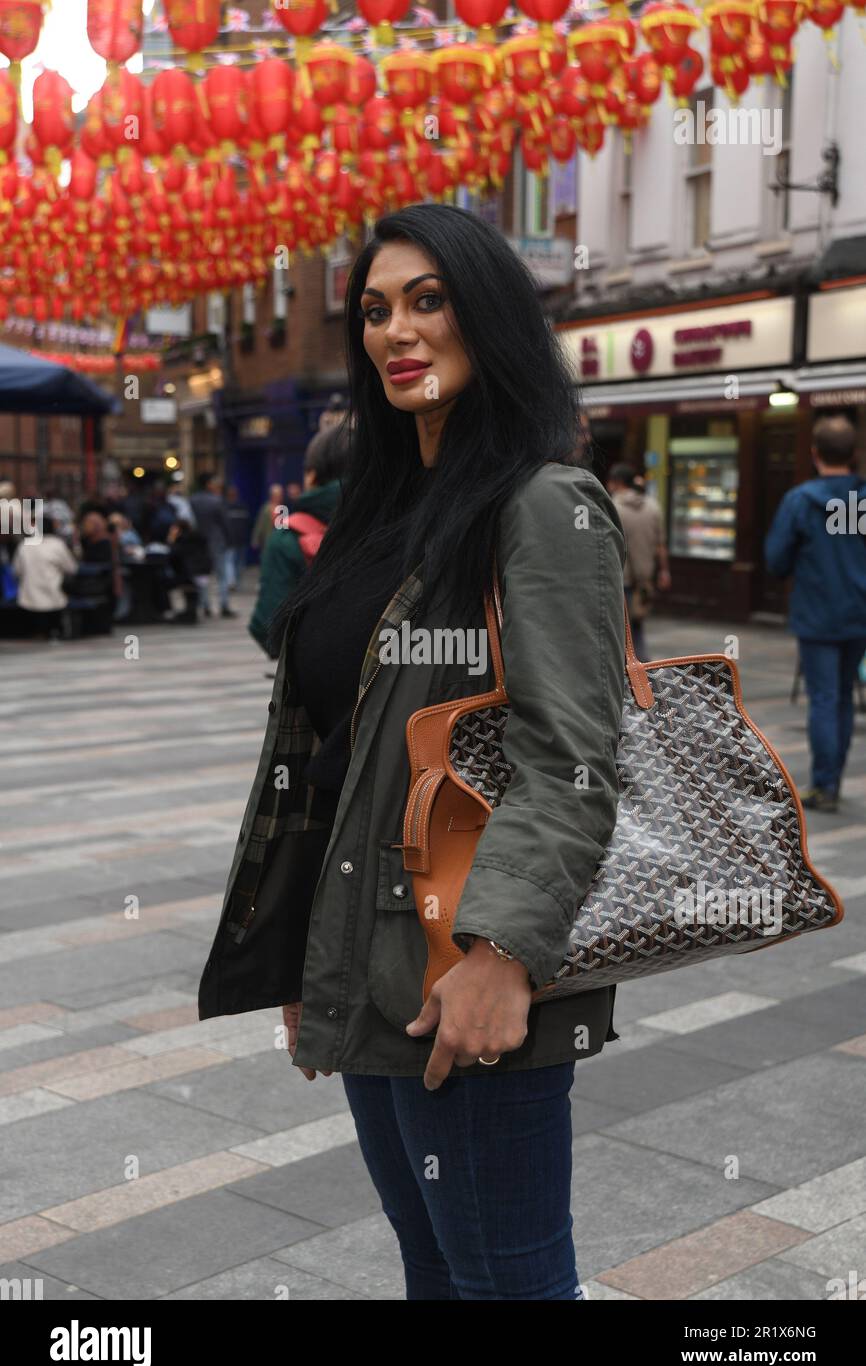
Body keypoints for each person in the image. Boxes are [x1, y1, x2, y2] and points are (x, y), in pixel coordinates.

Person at [197, 203, 627, 1301]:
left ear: (487, 317)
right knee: (434, 1270)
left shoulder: (537, 503)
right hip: (371, 951)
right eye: (376, 308)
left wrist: (504, 956)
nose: (398, 329)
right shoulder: (380, 516)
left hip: (469, 964)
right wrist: (307, 951)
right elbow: (336, 760)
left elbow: (574, 752)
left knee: (511, 1286)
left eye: (429, 300)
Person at [765, 413, 866, 811]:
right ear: (854, 454)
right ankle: (832, 780)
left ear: (814, 453)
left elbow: (775, 560)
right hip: (859, 613)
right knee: (841, 697)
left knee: (824, 697)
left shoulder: (800, 501)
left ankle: (824, 786)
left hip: (818, 615)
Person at [248, 425, 350, 655]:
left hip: (321, 673)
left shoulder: (289, 538)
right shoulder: (403, 521)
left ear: (312, 475)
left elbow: (267, 627)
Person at [606, 462, 670, 661]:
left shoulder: (612, 507)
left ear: (616, 482)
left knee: (619, 631)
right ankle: (643, 667)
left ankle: (631, 673)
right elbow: (660, 544)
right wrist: (664, 571)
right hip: (644, 579)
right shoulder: (652, 505)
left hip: (620, 578)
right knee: (637, 626)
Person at [13, 514, 77, 640]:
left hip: (29, 597)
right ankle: (55, 631)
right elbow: (72, 568)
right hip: (53, 594)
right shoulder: (57, 544)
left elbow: (16, 571)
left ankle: (39, 632)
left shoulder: (24, 545)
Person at [190, 473, 234, 617]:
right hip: (217, 542)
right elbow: (225, 523)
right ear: (208, 484)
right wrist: (229, 539)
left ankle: (205, 605)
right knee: (222, 576)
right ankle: (224, 605)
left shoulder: (193, 500)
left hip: (199, 542)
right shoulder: (217, 500)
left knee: (202, 575)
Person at [224, 484, 251, 592]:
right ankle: (236, 583)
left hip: (231, 540)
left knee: (230, 562)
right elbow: (248, 523)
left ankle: (232, 582)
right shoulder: (242, 506)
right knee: (239, 563)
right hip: (241, 539)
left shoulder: (224, 507)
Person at [251, 483, 285, 554]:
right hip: (267, 541)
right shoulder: (265, 509)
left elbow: (285, 527)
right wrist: (255, 539)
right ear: (272, 496)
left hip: (280, 542)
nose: (279, 497)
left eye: (280, 495)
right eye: (276, 495)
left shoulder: (283, 509)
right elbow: (260, 524)